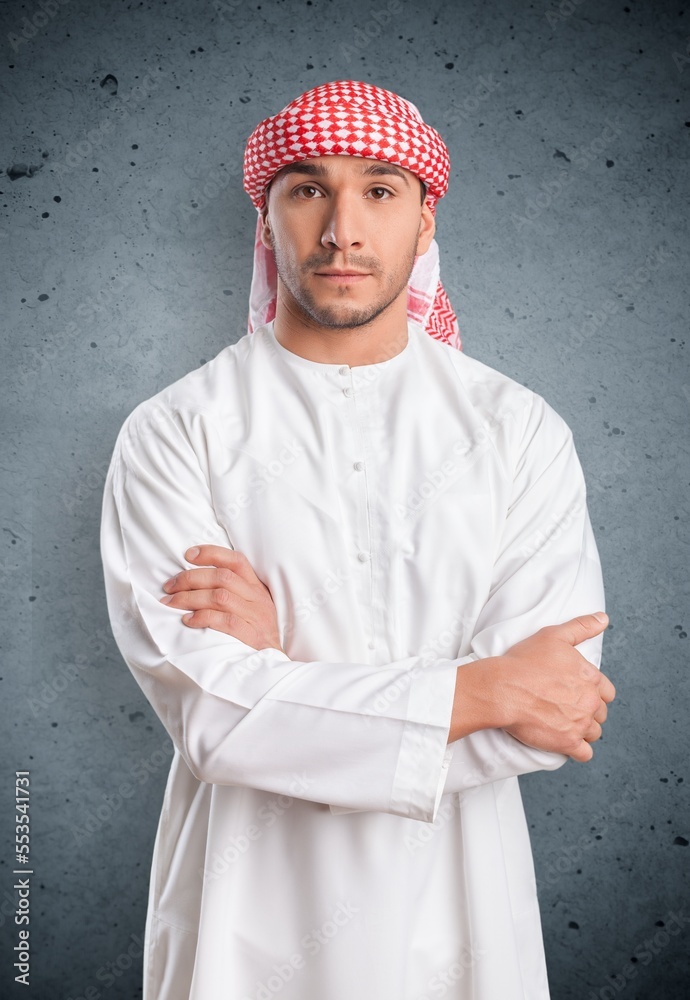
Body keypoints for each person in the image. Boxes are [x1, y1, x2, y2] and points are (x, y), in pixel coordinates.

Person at [100, 80, 615, 1000]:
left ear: (424, 225)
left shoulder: (520, 431)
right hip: (243, 930)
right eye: (308, 190)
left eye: (380, 190)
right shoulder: (177, 431)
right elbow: (216, 722)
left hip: (466, 925)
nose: (342, 229)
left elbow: (547, 717)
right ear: (265, 223)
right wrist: (481, 688)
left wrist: (281, 683)